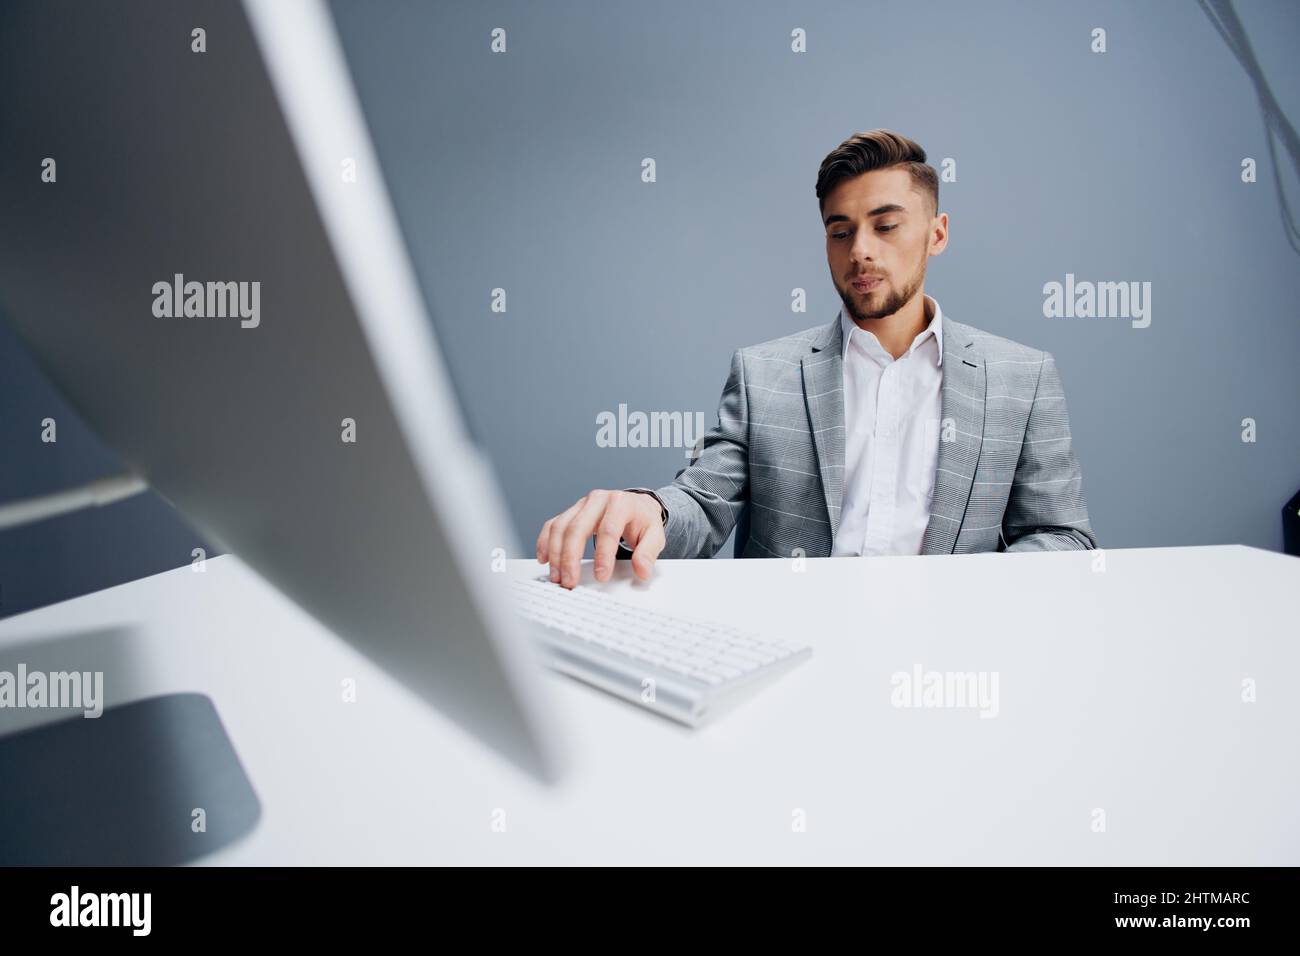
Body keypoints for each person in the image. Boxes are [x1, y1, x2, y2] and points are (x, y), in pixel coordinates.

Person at [537, 129, 1097, 589]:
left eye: (886, 225)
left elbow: (1063, 535)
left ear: (936, 233)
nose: (861, 251)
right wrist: (648, 510)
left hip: (948, 658)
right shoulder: (764, 375)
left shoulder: (1022, 378)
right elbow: (702, 504)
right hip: (794, 656)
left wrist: (969, 597)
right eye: (840, 231)